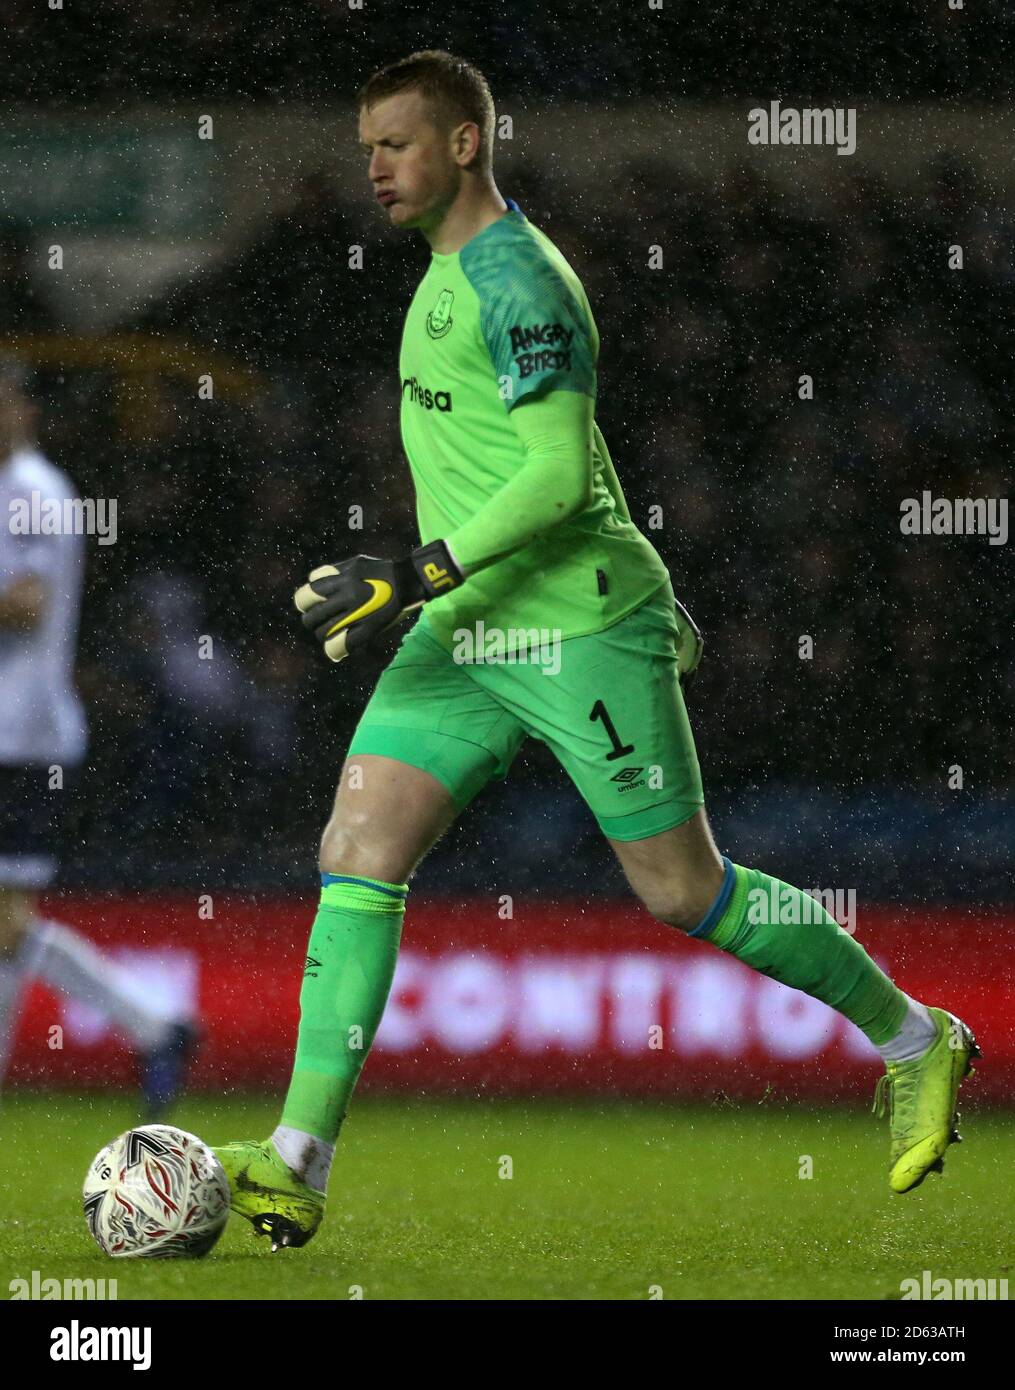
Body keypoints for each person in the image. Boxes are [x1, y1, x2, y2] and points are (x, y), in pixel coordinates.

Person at [214, 51, 978, 1250]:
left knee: (681, 890)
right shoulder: (439, 277)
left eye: (397, 143)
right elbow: (515, 467)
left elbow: (560, 479)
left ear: (465, 143)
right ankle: (294, 1164)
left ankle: (915, 1037)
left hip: (577, 624)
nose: (373, 168)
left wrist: (409, 573)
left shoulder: (520, 277)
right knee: (357, 848)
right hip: (467, 632)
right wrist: (423, 591)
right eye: (365, 145)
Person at [0, 357, 196, 1117]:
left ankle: (156, 1025)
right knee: (6, 922)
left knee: (8, 922)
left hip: (23, 735)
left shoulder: (35, 494)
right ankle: (154, 1026)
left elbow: (25, 604)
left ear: (22, 409)